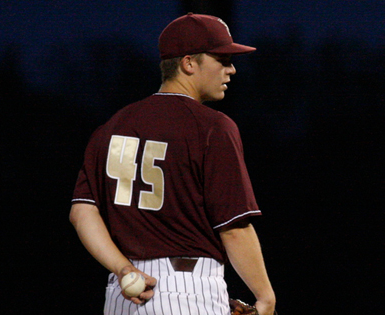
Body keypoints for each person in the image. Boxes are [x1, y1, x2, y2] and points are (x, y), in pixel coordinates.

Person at [69, 13, 275, 315]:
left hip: (123, 294)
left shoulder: (112, 126)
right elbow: (234, 229)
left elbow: (82, 211)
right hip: (188, 292)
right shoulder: (213, 127)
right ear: (189, 63)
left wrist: (123, 268)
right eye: (222, 59)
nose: (231, 69)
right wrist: (265, 296)